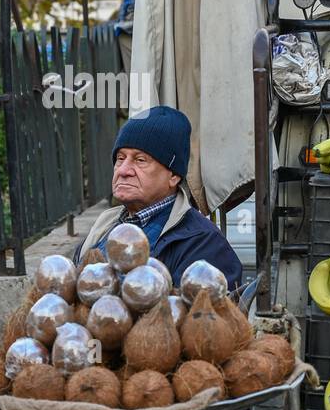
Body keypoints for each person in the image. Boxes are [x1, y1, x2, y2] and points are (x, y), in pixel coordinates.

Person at [73, 105, 243, 292]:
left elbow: (209, 317)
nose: (123, 170)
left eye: (140, 160)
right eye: (120, 158)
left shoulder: (204, 243)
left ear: (173, 176)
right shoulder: (105, 224)